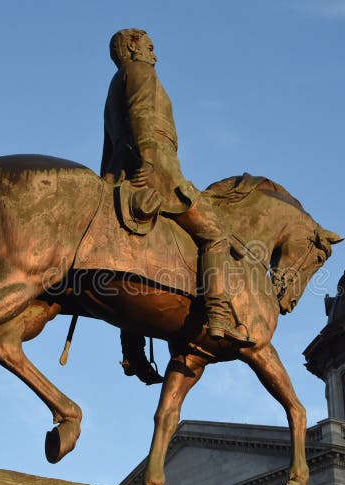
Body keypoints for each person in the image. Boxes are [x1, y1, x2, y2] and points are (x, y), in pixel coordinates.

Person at [102, 28, 254, 364]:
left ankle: (133, 351)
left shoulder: (116, 82)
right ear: (132, 46)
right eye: (151, 47)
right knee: (216, 234)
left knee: (135, 266)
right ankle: (219, 317)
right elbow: (142, 114)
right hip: (159, 171)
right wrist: (150, 160)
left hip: (123, 172)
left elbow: (109, 145)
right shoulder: (141, 71)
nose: (155, 55)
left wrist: (108, 183)